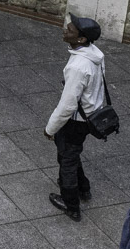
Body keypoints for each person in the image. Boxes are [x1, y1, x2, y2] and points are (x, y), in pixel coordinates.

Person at [45, 14, 106, 221]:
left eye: (70, 30)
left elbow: (68, 104)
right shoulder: (95, 54)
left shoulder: (78, 66)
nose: (65, 30)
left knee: (67, 160)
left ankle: (71, 204)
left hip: (75, 121)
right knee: (72, 152)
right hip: (90, 116)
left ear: (81, 39)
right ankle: (84, 189)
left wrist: (50, 128)